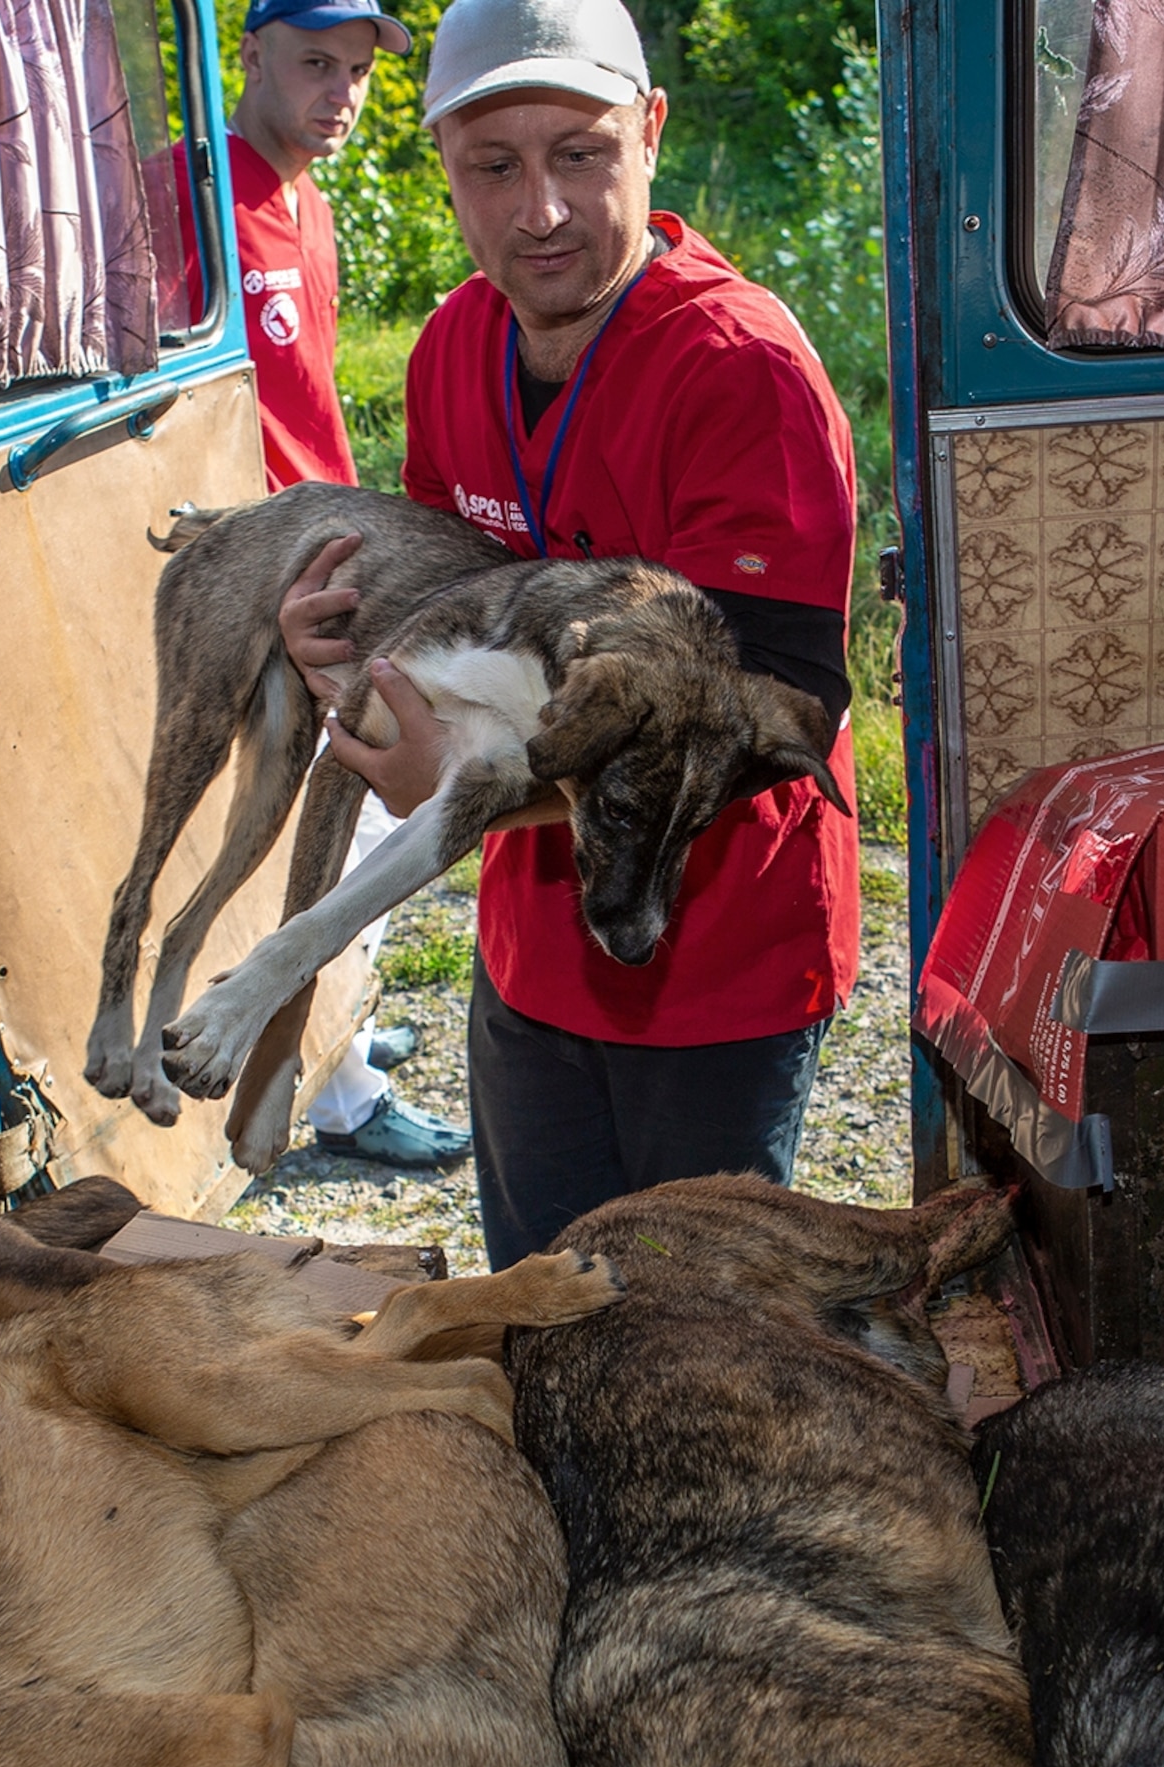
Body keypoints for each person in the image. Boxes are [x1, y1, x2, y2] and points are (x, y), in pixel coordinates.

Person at [281, 0, 860, 1267]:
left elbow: (776, 711)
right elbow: (435, 615)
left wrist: (462, 787)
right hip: (531, 951)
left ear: (650, 134)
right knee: (539, 1298)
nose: (539, 209)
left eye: (579, 154)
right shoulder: (448, 350)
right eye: (495, 165)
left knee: (689, 1329)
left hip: (719, 956)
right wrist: (342, 650)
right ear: (446, 172)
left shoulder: (738, 370)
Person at [170, 0, 475, 1168]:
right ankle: (334, 1096)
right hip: (262, 566)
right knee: (302, 813)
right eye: (313, 64)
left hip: (338, 548)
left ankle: (335, 1035)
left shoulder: (310, 203)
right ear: (246, 57)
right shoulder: (193, 192)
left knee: (354, 806)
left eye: (355, 70)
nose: (339, 91)